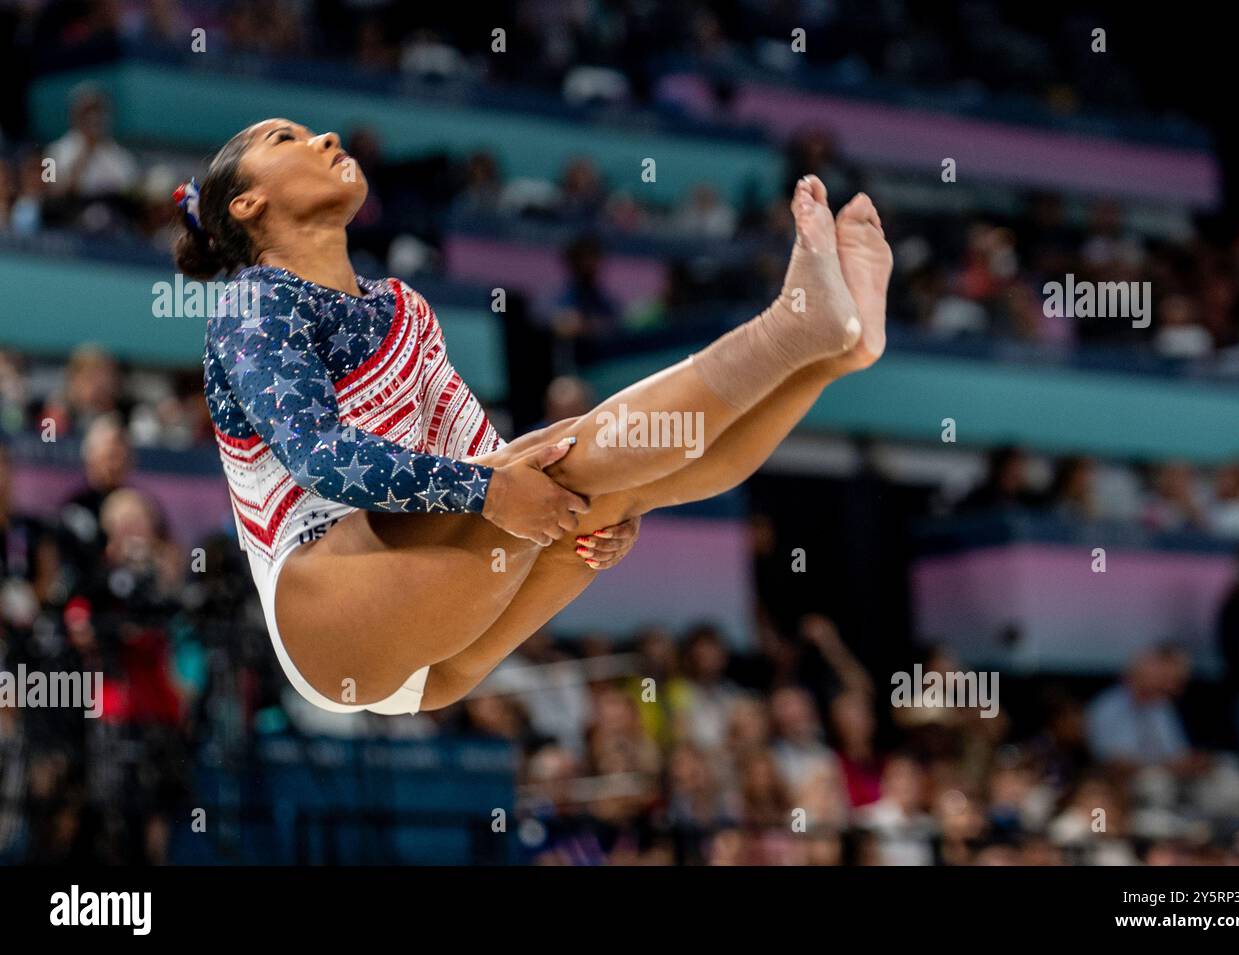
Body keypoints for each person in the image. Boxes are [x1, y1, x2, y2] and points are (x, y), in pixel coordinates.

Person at [181, 118, 891, 716]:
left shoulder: (402, 307)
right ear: (247, 205)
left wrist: (588, 490)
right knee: (561, 462)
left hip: (432, 646)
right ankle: (793, 328)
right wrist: (496, 490)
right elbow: (320, 455)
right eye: (288, 138)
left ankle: (834, 350)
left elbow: (488, 454)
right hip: (328, 610)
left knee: (600, 483)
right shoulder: (256, 304)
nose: (326, 136)